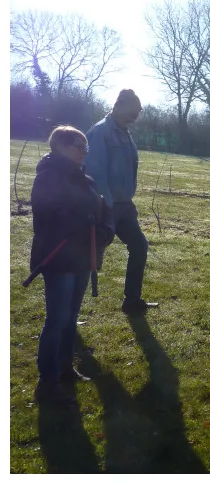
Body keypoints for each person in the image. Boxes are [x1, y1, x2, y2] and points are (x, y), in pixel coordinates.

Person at [30, 126, 114, 406]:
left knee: (71, 316)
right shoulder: (48, 177)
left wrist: (104, 229)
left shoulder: (85, 179)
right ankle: (47, 380)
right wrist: (83, 224)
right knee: (56, 319)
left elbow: (103, 209)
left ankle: (65, 368)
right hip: (58, 258)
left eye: (85, 147)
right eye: (78, 146)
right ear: (60, 147)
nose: (83, 152)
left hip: (81, 258)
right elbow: (47, 214)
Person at [85, 89, 156, 315]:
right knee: (91, 256)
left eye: (138, 113)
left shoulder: (125, 133)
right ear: (117, 105)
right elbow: (95, 172)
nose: (135, 116)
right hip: (106, 206)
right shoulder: (101, 132)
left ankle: (132, 300)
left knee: (139, 246)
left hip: (125, 206)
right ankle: (66, 309)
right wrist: (105, 205)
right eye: (132, 111)